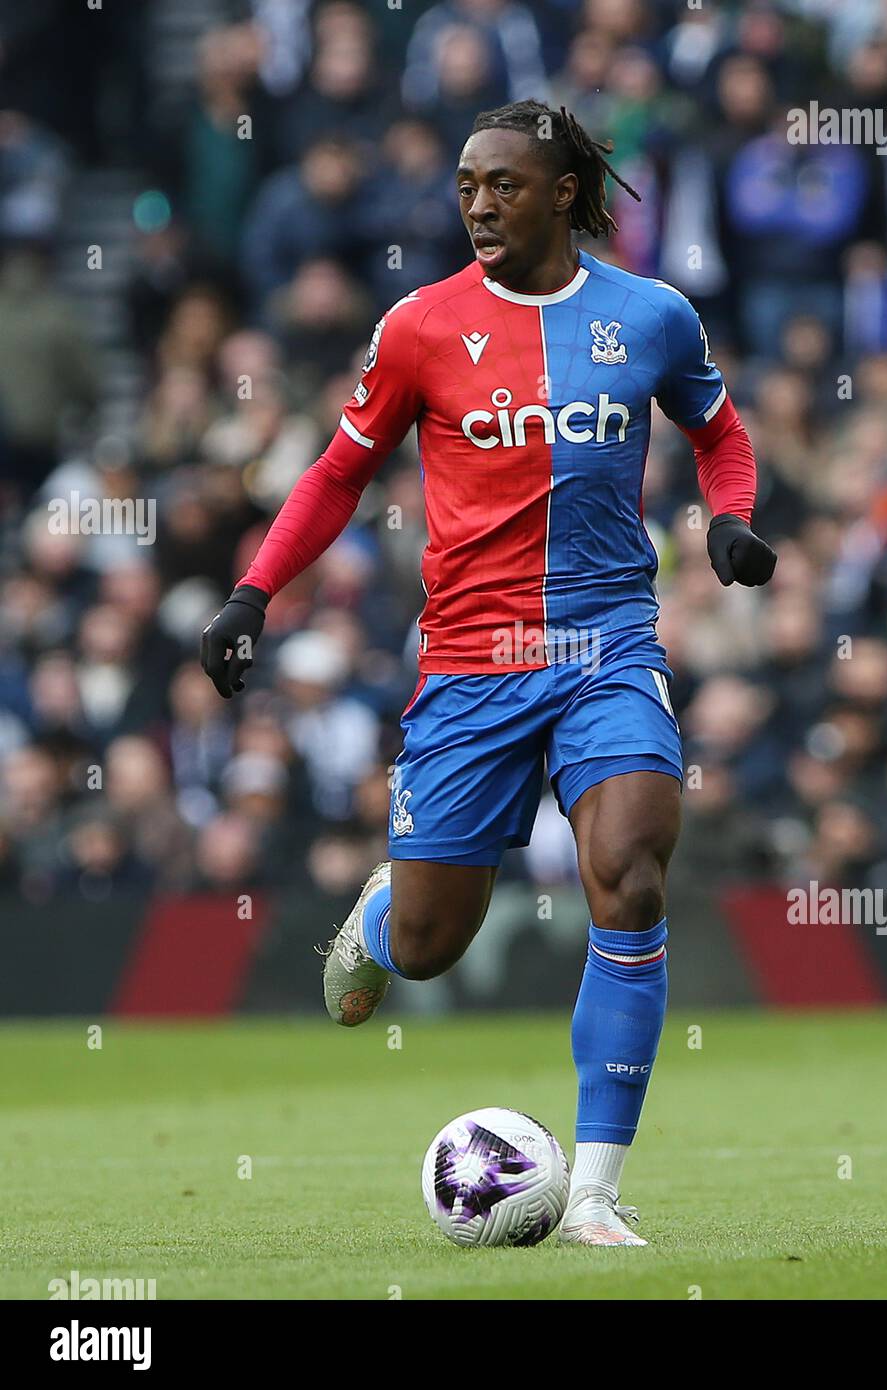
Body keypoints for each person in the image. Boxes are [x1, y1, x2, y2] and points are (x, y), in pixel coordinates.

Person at [201, 99, 776, 1246]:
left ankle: (597, 1192)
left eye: (500, 184)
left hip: (606, 640)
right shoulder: (418, 327)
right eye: (464, 185)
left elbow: (719, 430)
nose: (474, 204)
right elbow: (334, 473)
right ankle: (382, 911)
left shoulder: (650, 315)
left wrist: (728, 521)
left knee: (629, 870)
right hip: (470, 661)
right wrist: (254, 591)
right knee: (428, 946)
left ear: (561, 192)